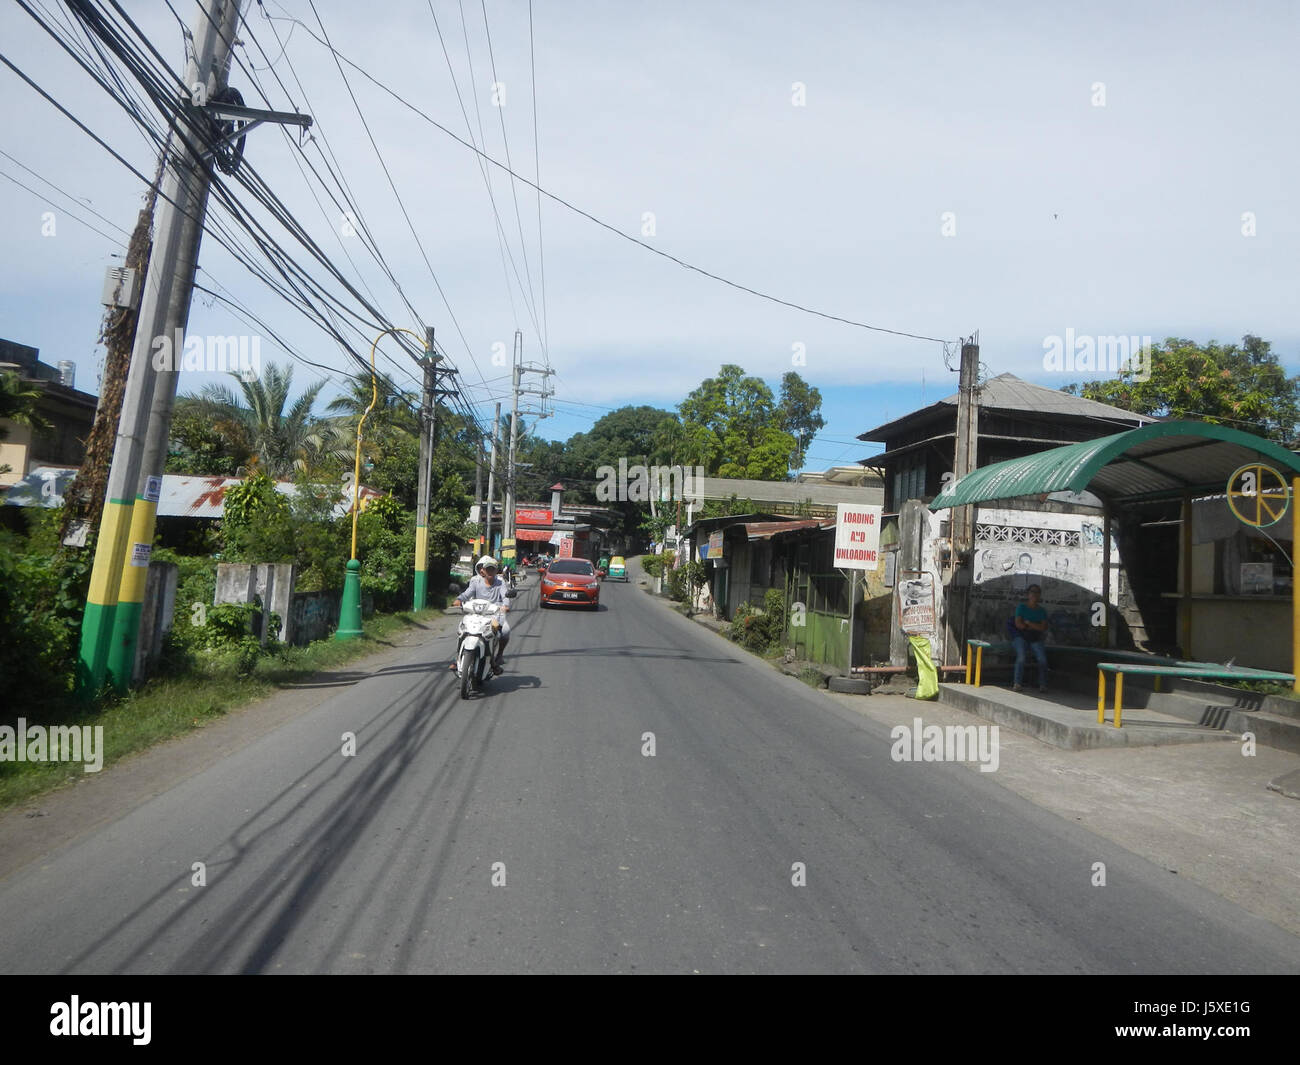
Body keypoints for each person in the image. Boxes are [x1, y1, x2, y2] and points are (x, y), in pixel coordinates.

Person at [453, 555, 511, 674]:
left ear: (496, 571)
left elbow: (505, 597)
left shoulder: (500, 583)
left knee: (505, 630)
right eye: (487, 569)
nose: (490, 572)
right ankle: (458, 658)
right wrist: (459, 599)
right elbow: (467, 594)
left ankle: (498, 657)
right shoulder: (476, 581)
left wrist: (505, 606)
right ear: (483, 570)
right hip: (477, 613)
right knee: (462, 629)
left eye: (492, 569)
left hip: (494, 614)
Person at [1012, 583, 1048, 692]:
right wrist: (1034, 625)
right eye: (1032, 592)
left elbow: (1043, 627)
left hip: (1035, 638)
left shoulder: (1041, 611)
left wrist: (1028, 623)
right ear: (1028, 594)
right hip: (1021, 637)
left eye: (1037, 592)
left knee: (1042, 659)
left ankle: (1042, 684)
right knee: (1021, 657)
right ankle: (1017, 683)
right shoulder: (1022, 607)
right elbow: (1019, 624)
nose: (1034, 594)